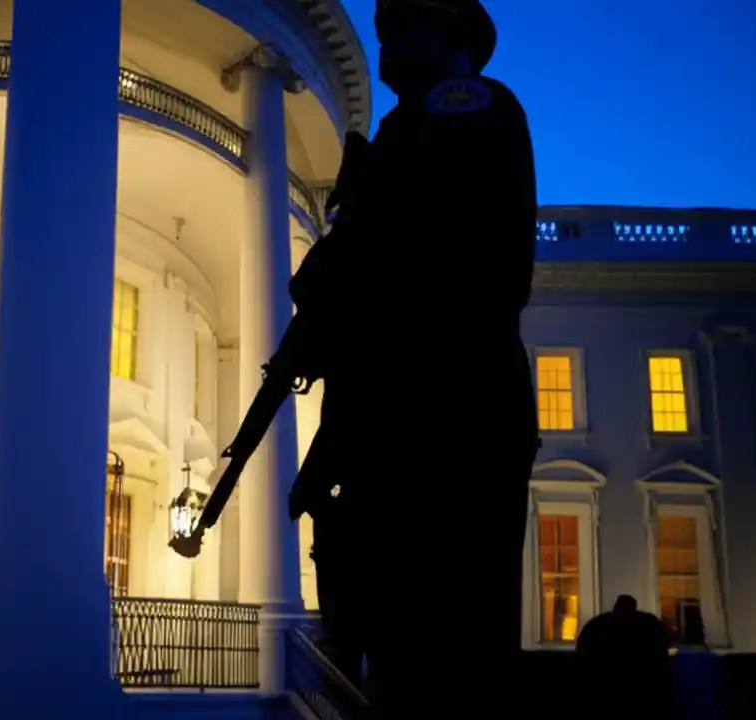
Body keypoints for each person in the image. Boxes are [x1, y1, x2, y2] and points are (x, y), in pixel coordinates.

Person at [287, 0, 539, 712]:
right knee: (393, 660)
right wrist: (330, 451)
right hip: (389, 427)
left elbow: (481, 279)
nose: (389, 42)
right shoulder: (398, 133)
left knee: (452, 656)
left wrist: (347, 277)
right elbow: (360, 319)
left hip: (455, 418)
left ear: (458, 38)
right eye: (385, 31)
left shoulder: (470, 110)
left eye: (407, 27)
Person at [576, 595, 674, 718]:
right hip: (642, 688)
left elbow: (582, 656)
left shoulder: (596, 625)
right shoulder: (649, 624)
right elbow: (664, 648)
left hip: (603, 687)